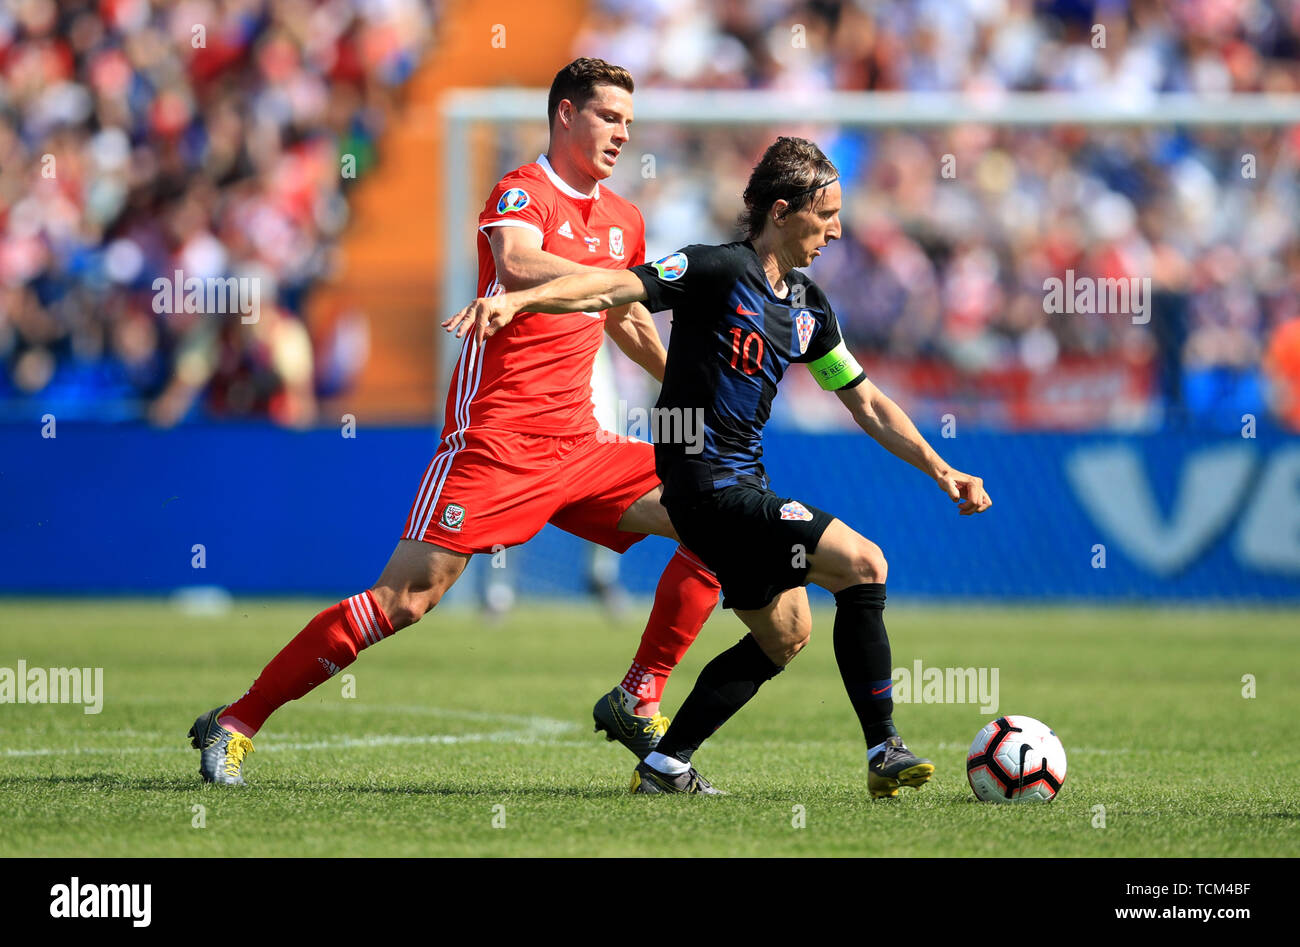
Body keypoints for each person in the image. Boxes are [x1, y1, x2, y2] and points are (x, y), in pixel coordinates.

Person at [187, 58, 722, 785]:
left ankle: (637, 696)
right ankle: (237, 719)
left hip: (584, 443)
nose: (623, 133)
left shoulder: (624, 219)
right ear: (565, 114)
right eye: (608, 116)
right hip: (496, 444)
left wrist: (685, 385)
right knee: (404, 599)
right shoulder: (521, 192)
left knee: (723, 520)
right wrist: (605, 282)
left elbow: (626, 317)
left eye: (630, 120)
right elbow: (520, 264)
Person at [444, 136, 993, 797]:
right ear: (783, 212)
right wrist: (520, 300)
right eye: (827, 215)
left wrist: (942, 468)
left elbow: (867, 401)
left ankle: (665, 763)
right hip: (703, 487)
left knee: (786, 633)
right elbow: (620, 284)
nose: (838, 229)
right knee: (865, 563)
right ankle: (884, 748)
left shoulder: (809, 308)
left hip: (743, 486)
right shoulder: (715, 269)